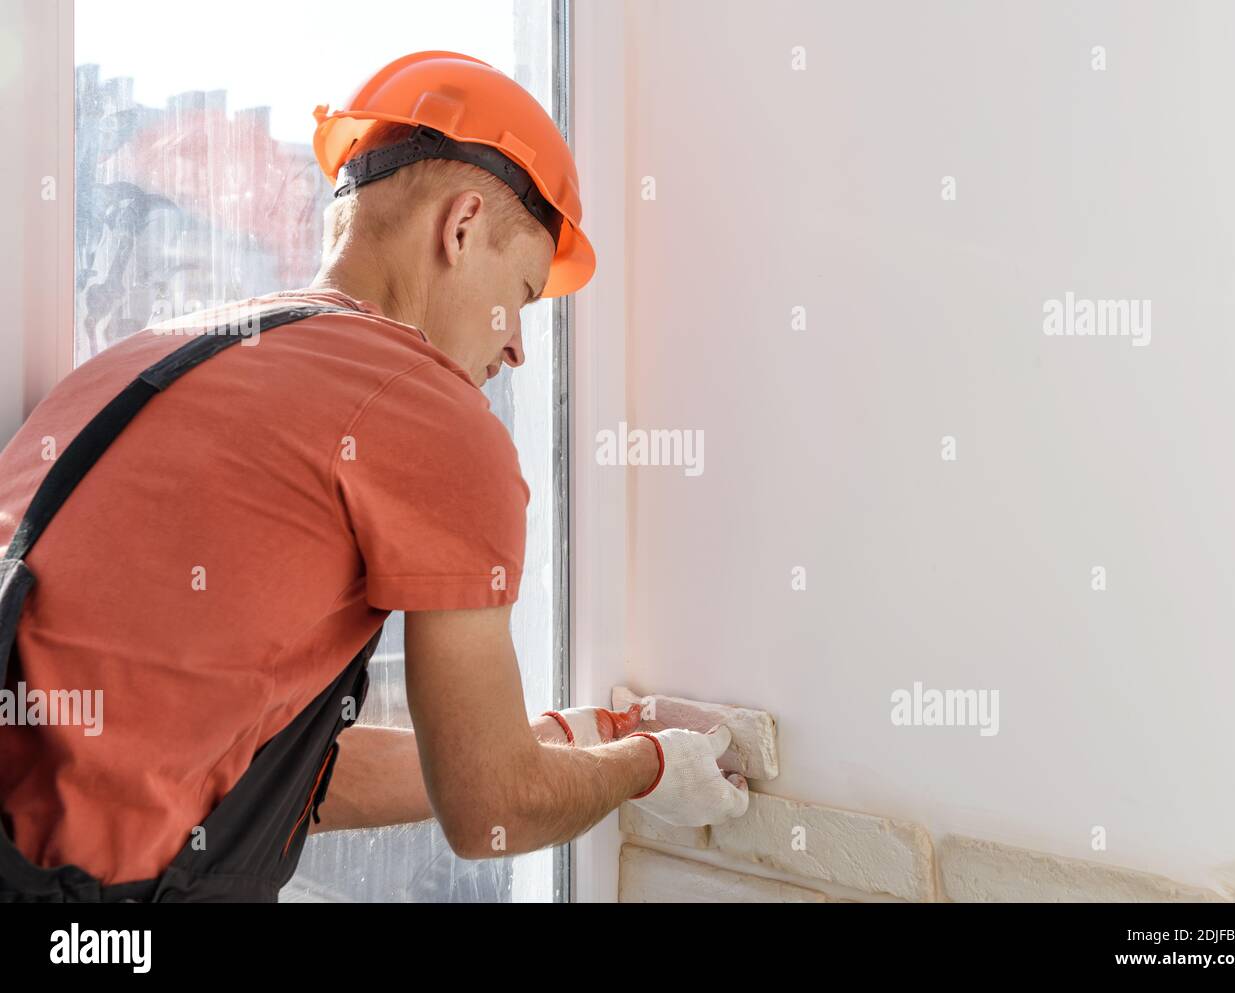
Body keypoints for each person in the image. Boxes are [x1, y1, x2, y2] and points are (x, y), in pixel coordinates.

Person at [0, 51, 746, 903]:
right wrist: (650, 767)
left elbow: (245, 768)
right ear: (462, 228)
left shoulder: (153, 358)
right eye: (523, 294)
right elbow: (490, 809)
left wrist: (556, 735)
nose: (516, 348)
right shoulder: (429, 413)